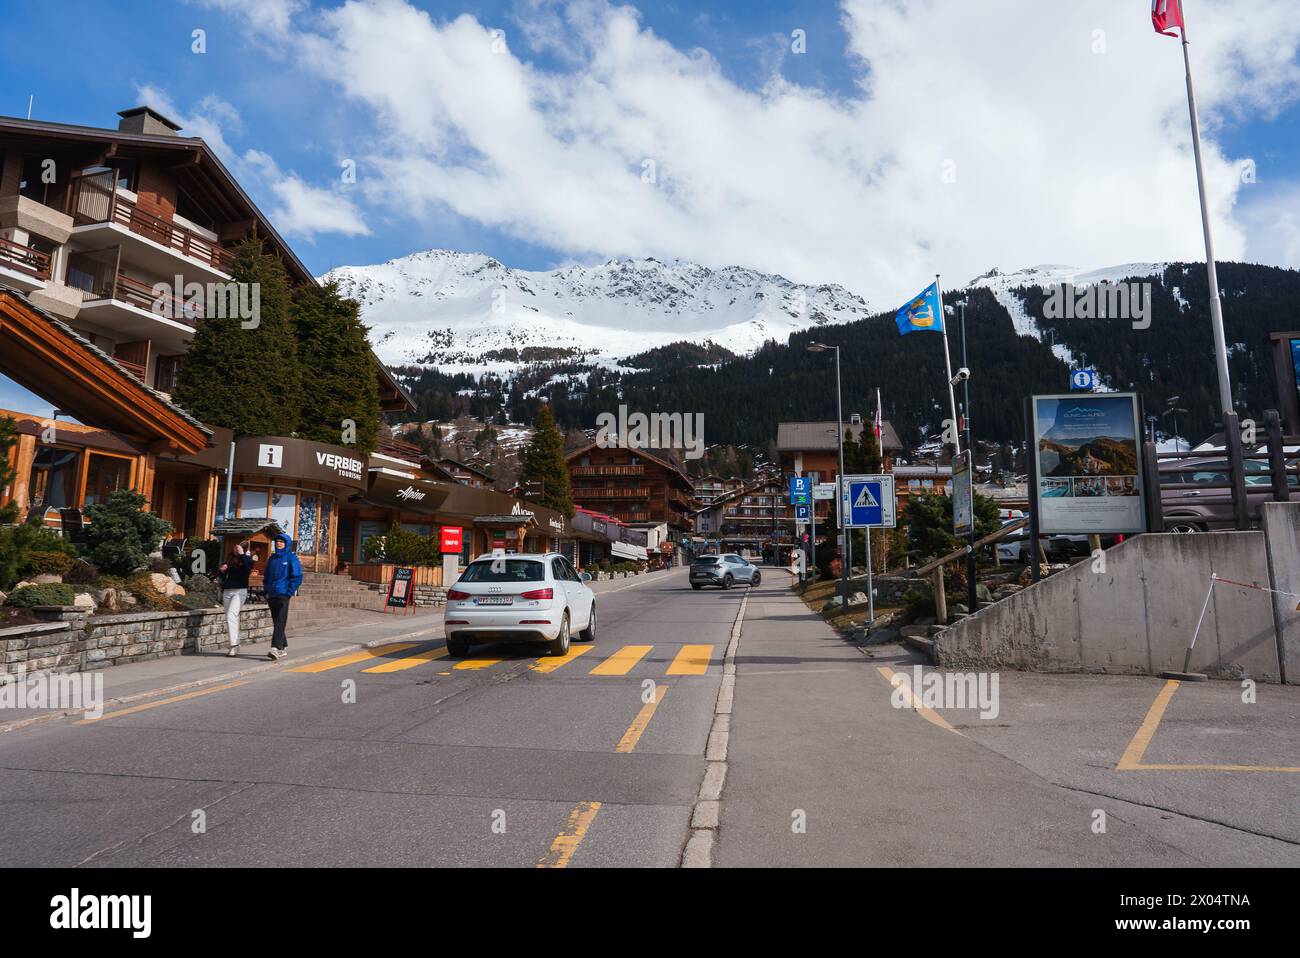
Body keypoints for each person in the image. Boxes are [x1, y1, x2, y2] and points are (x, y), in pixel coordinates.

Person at [262, 533, 303, 660]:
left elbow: (297, 577)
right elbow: (267, 576)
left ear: (286, 544)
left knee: (280, 621)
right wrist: (266, 591)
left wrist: (288, 592)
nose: (278, 543)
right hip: (272, 594)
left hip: (283, 595)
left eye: (281, 541)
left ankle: (275, 648)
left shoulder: (291, 558)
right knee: (277, 622)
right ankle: (283, 646)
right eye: (277, 541)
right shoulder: (272, 558)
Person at [218, 542, 254, 657]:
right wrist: (222, 571)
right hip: (227, 591)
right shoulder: (229, 559)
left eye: (237, 547)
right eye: (235, 547)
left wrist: (242, 554)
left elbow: (248, 568)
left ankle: (233, 646)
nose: (235, 549)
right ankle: (236, 644)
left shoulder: (247, 559)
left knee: (231, 615)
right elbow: (223, 577)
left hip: (240, 591)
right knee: (232, 618)